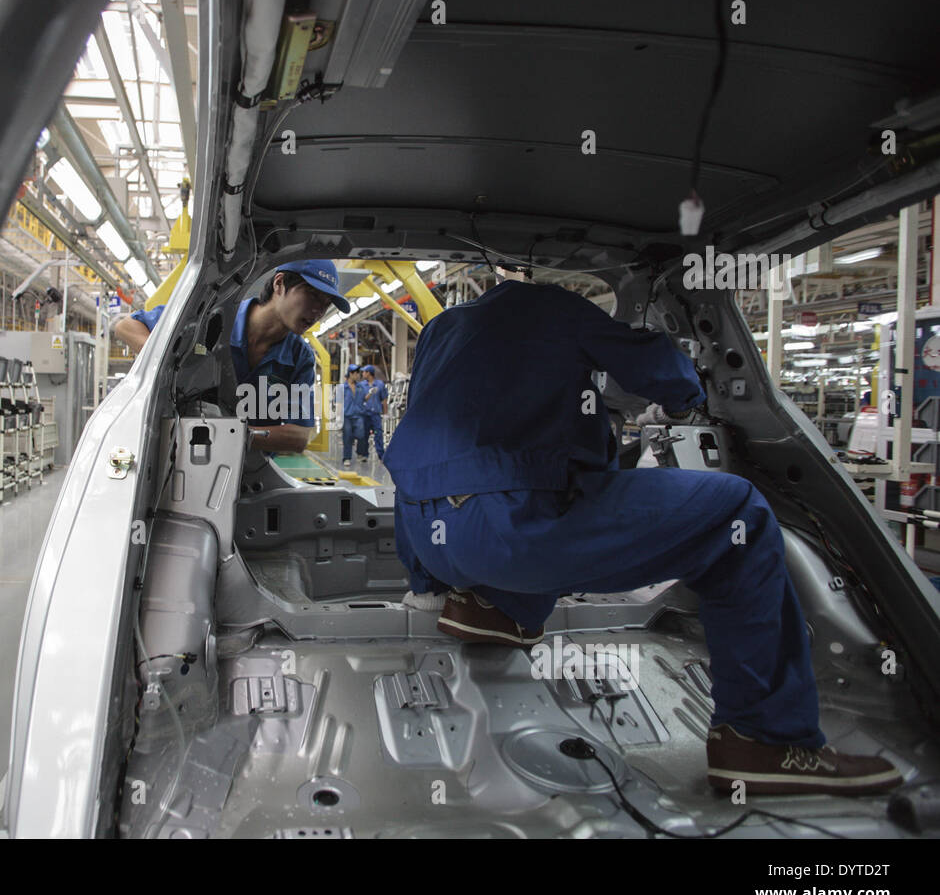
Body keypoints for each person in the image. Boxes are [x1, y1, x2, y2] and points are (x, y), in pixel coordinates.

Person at [384, 278, 902, 796]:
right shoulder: (551, 304)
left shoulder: (439, 330)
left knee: (536, 508)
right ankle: (762, 740)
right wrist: (686, 401)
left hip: (435, 546)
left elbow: (428, 438)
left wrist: (425, 580)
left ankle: (490, 609)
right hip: (514, 532)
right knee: (739, 514)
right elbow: (651, 361)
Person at [112, 259, 350, 453]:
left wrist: (230, 434)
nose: (319, 310)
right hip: (186, 457)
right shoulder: (213, 320)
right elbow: (127, 326)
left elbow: (298, 437)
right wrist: (172, 366)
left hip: (255, 470)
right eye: (312, 295)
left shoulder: (301, 357)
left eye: (326, 304)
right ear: (279, 284)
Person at [337, 364, 367, 465]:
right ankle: (347, 458)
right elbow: (339, 403)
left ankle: (360, 453)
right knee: (347, 437)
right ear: (351, 374)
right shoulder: (342, 388)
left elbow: (364, 398)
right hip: (347, 416)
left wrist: (371, 393)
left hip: (358, 414)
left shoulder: (360, 387)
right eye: (356, 373)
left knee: (361, 434)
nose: (358, 375)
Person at [360, 365, 388, 461]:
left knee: (378, 434)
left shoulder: (380, 385)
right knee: (364, 435)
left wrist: (385, 414)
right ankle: (364, 455)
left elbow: (384, 400)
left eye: (364, 372)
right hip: (365, 414)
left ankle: (381, 455)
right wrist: (370, 393)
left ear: (369, 373)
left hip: (375, 415)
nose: (362, 373)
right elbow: (361, 399)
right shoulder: (362, 385)